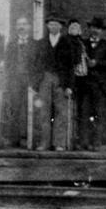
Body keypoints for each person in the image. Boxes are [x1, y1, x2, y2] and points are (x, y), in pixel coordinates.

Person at [32, 14, 75, 151]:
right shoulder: (41, 43)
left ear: (61, 27)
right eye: (51, 24)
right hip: (45, 78)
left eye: (56, 24)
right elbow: (36, 65)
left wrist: (69, 85)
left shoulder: (67, 43)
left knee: (61, 112)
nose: (53, 27)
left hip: (60, 80)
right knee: (43, 111)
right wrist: (35, 84)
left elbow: (70, 66)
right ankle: (44, 143)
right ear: (47, 26)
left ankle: (59, 143)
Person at [79, 18, 106, 150]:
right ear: (90, 29)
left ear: (102, 31)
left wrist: (97, 63)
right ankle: (84, 142)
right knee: (84, 114)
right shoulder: (83, 44)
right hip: (86, 85)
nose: (95, 31)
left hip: (100, 86)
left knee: (99, 115)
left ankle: (97, 142)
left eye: (98, 28)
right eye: (93, 28)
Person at [2, 16, 34, 149]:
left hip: (29, 80)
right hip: (15, 80)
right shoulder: (11, 44)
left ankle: (27, 138)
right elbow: (7, 63)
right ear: (16, 27)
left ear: (29, 27)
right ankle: (13, 139)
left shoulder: (34, 44)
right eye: (19, 24)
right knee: (14, 108)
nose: (21, 27)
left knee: (29, 108)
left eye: (24, 24)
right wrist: (9, 79)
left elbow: (37, 64)